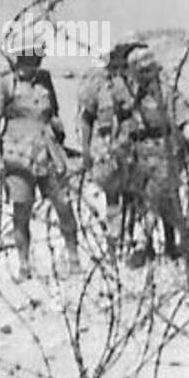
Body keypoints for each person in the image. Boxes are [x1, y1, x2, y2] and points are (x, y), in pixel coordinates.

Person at [0, 49, 80, 280]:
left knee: (64, 204)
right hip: (18, 154)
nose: (32, 65)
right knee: (22, 210)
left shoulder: (44, 81)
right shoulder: (5, 83)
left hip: (47, 151)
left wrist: (58, 130)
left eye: (36, 61)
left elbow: (54, 113)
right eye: (28, 61)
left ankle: (74, 258)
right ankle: (24, 263)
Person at [120, 45, 189, 263]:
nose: (143, 77)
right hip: (140, 153)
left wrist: (182, 150)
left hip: (163, 151)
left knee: (166, 198)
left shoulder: (165, 92)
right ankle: (146, 246)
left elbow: (182, 120)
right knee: (143, 203)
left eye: (147, 71)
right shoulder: (130, 94)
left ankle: (175, 241)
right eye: (139, 72)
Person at [77, 41, 141, 261]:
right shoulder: (98, 83)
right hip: (105, 146)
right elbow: (86, 118)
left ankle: (128, 237)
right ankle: (115, 242)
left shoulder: (131, 83)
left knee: (131, 196)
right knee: (112, 196)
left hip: (128, 143)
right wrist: (85, 148)